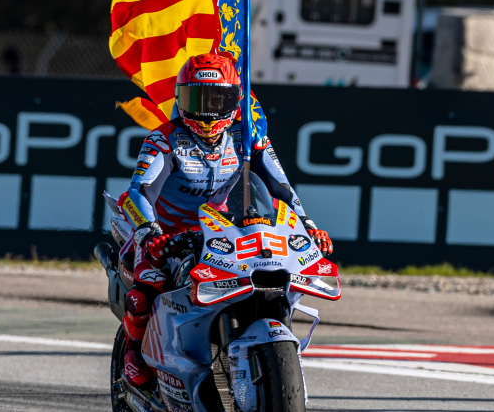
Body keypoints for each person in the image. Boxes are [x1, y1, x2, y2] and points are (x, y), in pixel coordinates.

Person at [119, 52, 333, 390]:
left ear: (234, 100)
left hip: (225, 230)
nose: (206, 110)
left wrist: (307, 225)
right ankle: (133, 353)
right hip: (169, 235)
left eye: (216, 98)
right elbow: (138, 192)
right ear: (180, 98)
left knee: (274, 272)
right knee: (146, 288)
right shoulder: (163, 140)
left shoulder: (249, 137)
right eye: (196, 98)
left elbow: (281, 187)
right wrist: (150, 234)